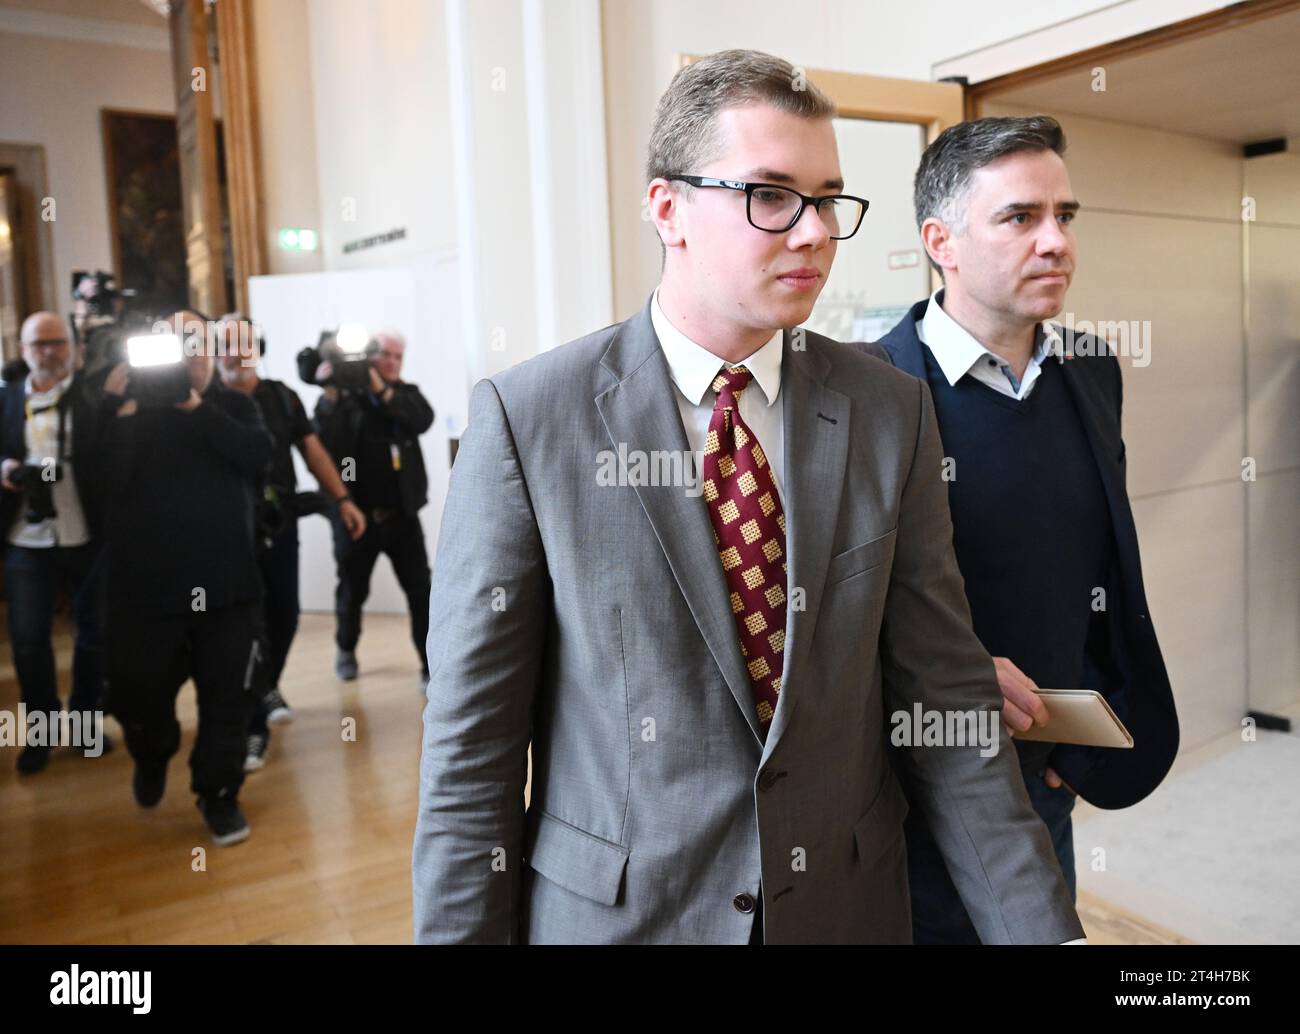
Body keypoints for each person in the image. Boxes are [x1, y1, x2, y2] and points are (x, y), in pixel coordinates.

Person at [412, 49, 1083, 944]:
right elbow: (472, 761)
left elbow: (947, 700)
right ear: (668, 207)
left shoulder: (889, 410)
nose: (811, 233)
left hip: (846, 912)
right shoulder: (531, 421)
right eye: (771, 195)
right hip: (624, 920)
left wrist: (1047, 934)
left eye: (827, 199)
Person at [858, 115, 1179, 942]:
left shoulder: (1091, 369)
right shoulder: (864, 395)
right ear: (943, 241)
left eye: (1064, 217)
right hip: (900, 780)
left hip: (1045, 772)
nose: (1055, 242)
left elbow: (1097, 558)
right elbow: (831, 607)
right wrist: (956, 674)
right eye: (1020, 218)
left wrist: (1079, 744)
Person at [101, 312, 271, 846]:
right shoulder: (125, 411)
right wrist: (118, 410)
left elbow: (259, 458)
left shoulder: (235, 405)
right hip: (145, 595)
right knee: (140, 698)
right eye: (173, 344)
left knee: (228, 702)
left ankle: (219, 795)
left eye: (196, 343)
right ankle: (152, 753)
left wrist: (191, 405)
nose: (187, 352)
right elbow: (101, 483)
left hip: (228, 588)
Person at [216, 315, 366, 770]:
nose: (233, 352)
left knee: (285, 612)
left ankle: (265, 685)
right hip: (225, 532)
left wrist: (341, 497)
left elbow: (312, 449)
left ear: (255, 347)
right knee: (246, 626)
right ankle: (251, 724)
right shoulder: (207, 402)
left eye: (242, 343)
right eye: (224, 343)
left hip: (277, 524)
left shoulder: (281, 396)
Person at [1, 312, 113, 774]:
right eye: (37, 344)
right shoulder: (6, 401)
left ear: (73, 346)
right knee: (28, 640)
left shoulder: (95, 397)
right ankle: (42, 734)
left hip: (85, 531)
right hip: (25, 538)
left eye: (57, 342)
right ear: (23, 350)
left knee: (95, 636)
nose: (48, 351)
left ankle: (86, 727)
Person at [313, 330, 434, 689]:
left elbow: (421, 419)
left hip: (402, 517)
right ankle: (346, 648)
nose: (393, 363)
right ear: (368, 358)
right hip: (356, 518)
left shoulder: (404, 395)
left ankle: (430, 667)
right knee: (352, 590)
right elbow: (324, 440)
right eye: (385, 356)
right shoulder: (345, 400)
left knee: (420, 591)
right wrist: (332, 393)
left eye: (399, 357)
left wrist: (381, 390)